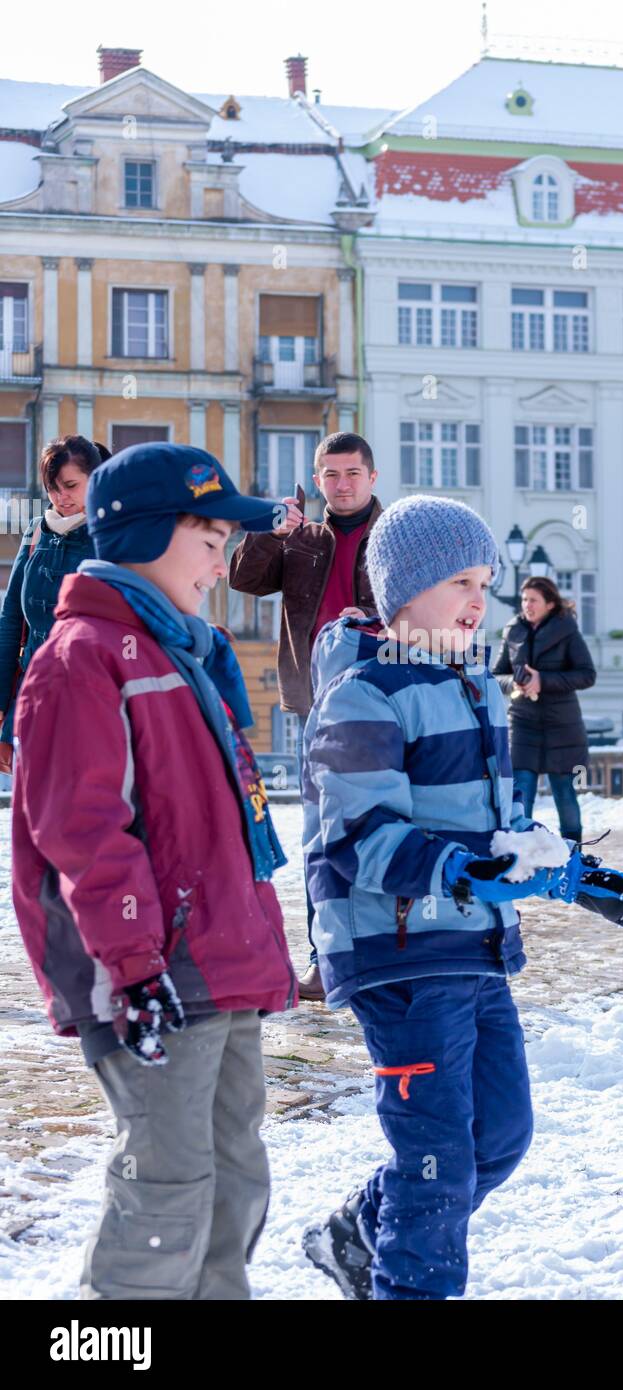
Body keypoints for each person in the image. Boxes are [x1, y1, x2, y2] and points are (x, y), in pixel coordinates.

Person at [299, 496, 623, 1300]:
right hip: (397, 957)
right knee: (436, 1165)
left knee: (498, 1138)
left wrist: (575, 876)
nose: (478, 600)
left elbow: (500, 832)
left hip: (474, 949)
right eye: (459, 581)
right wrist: (462, 875)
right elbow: (356, 837)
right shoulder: (363, 694)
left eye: (484, 583)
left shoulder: (470, 691)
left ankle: (355, 1231)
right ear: (403, 591)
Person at [11, 442, 298, 1300]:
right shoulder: (81, 658)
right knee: (164, 1195)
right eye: (210, 541)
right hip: (150, 974)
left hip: (220, 962)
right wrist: (135, 969)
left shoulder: (181, 650)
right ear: (143, 537)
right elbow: (84, 832)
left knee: (235, 1180)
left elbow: (222, 822)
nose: (223, 564)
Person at [229, 431, 382, 1001]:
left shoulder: (394, 534)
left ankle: (387, 951)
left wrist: (365, 618)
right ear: (317, 481)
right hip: (315, 703)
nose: (341, 485)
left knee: (381, 828)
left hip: (384, 700)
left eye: (352, 474)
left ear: (372, 478)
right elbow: (244, 579)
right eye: (331, 475)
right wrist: (271, 532)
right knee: (320, 833)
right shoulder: (300, 538)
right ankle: (328, 960)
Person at [0, 435, 108, 770]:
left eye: (71, 485)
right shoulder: (35, 532)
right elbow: (10, 621)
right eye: (52, 487)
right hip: (33, 699)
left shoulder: (113, 538)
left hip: (93, 704)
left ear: (96, 479)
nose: (61, 497)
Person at [494, 575, 597, 844]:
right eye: (524, 599)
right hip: (523, 722)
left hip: (562, 725)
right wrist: (514, 682)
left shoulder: (567, 630)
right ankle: (521, 855)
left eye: (534, 600)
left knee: (564, 793)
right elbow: (495, 677)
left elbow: (587, 675)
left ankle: (575, 855)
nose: (527, 605)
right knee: (521, 791)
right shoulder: (513, 629)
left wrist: (543, 680)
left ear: (550, 604)